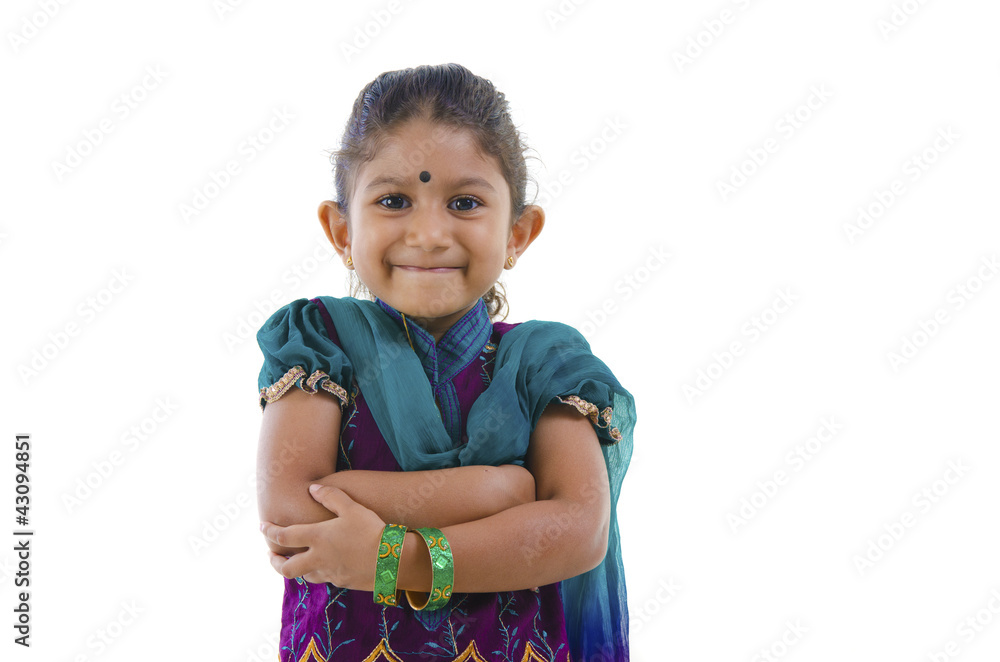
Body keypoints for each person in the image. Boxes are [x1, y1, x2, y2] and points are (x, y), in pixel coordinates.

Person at [254, 63, 635, 662]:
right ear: (340, 229)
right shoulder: (320, 343)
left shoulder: (545, 364)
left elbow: (580, 529)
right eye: (394, 200)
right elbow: (292, 509)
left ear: (518, 233)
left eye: (462, 202)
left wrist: (387, 559)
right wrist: (498, 489)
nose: (428, 233)